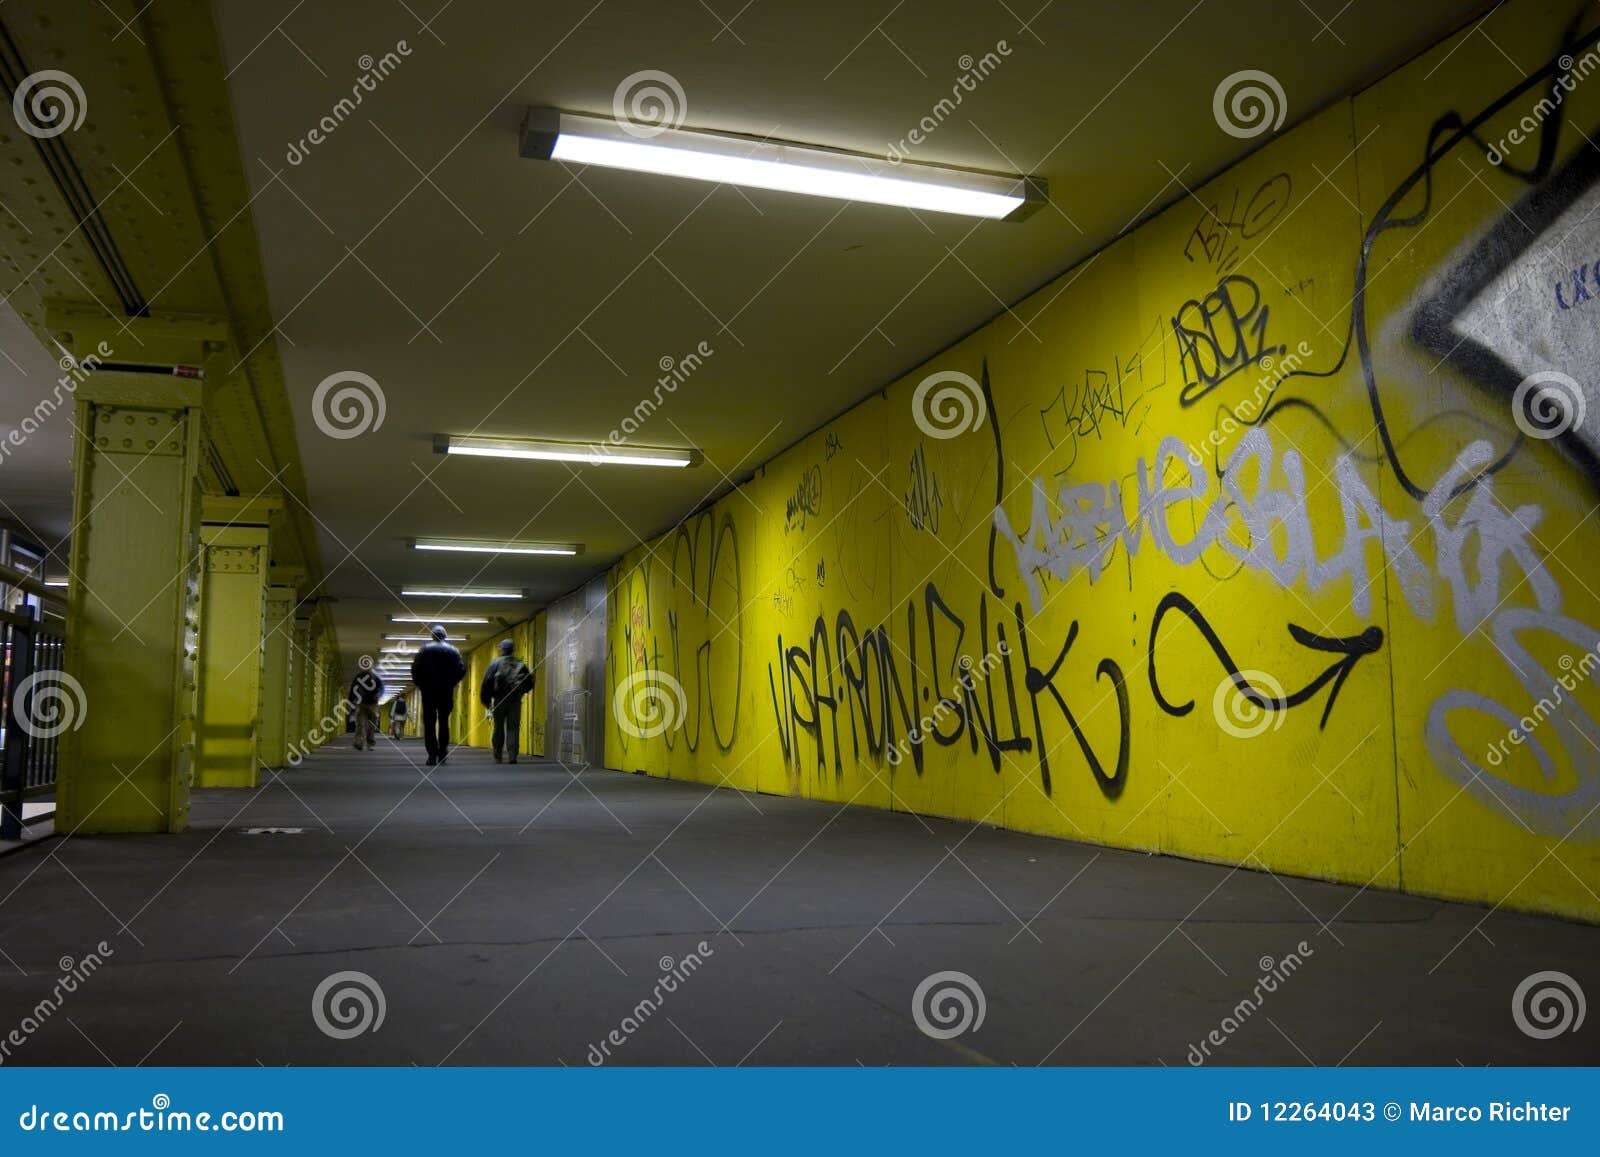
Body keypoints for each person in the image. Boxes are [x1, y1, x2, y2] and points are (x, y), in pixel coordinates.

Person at [410, 624, 465, 766]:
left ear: (432, 636)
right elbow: (461, 670)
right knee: (444, 722)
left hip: (428, 692)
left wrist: (421, 685)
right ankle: (443, 753)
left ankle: (432, 755)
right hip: (445, 691)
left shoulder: (424, 650)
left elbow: (415, 669)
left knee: (429, 723)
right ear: (445, 636)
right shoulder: (453, 651)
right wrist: (452, 683)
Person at [480, 638, 534, 764]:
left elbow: (487, 682)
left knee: (498, 727)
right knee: (513, 728)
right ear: (512, 650)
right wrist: (521, 692)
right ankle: (512, 755)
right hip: (515, 701)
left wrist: (486, 700)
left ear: (502, 649)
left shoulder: (495, 663)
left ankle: (498, 753)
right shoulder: (520, 664)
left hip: (499, 699)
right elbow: (529, 682)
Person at [348, 665, 384, 751]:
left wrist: (351, 702)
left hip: (369, 703)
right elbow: (353, 690)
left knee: (365, 724)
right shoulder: (363, 677)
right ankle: (362, 743)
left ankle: (365, 742)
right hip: (364, 704)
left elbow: (381, 688)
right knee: (363, 724)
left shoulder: (372, 677)